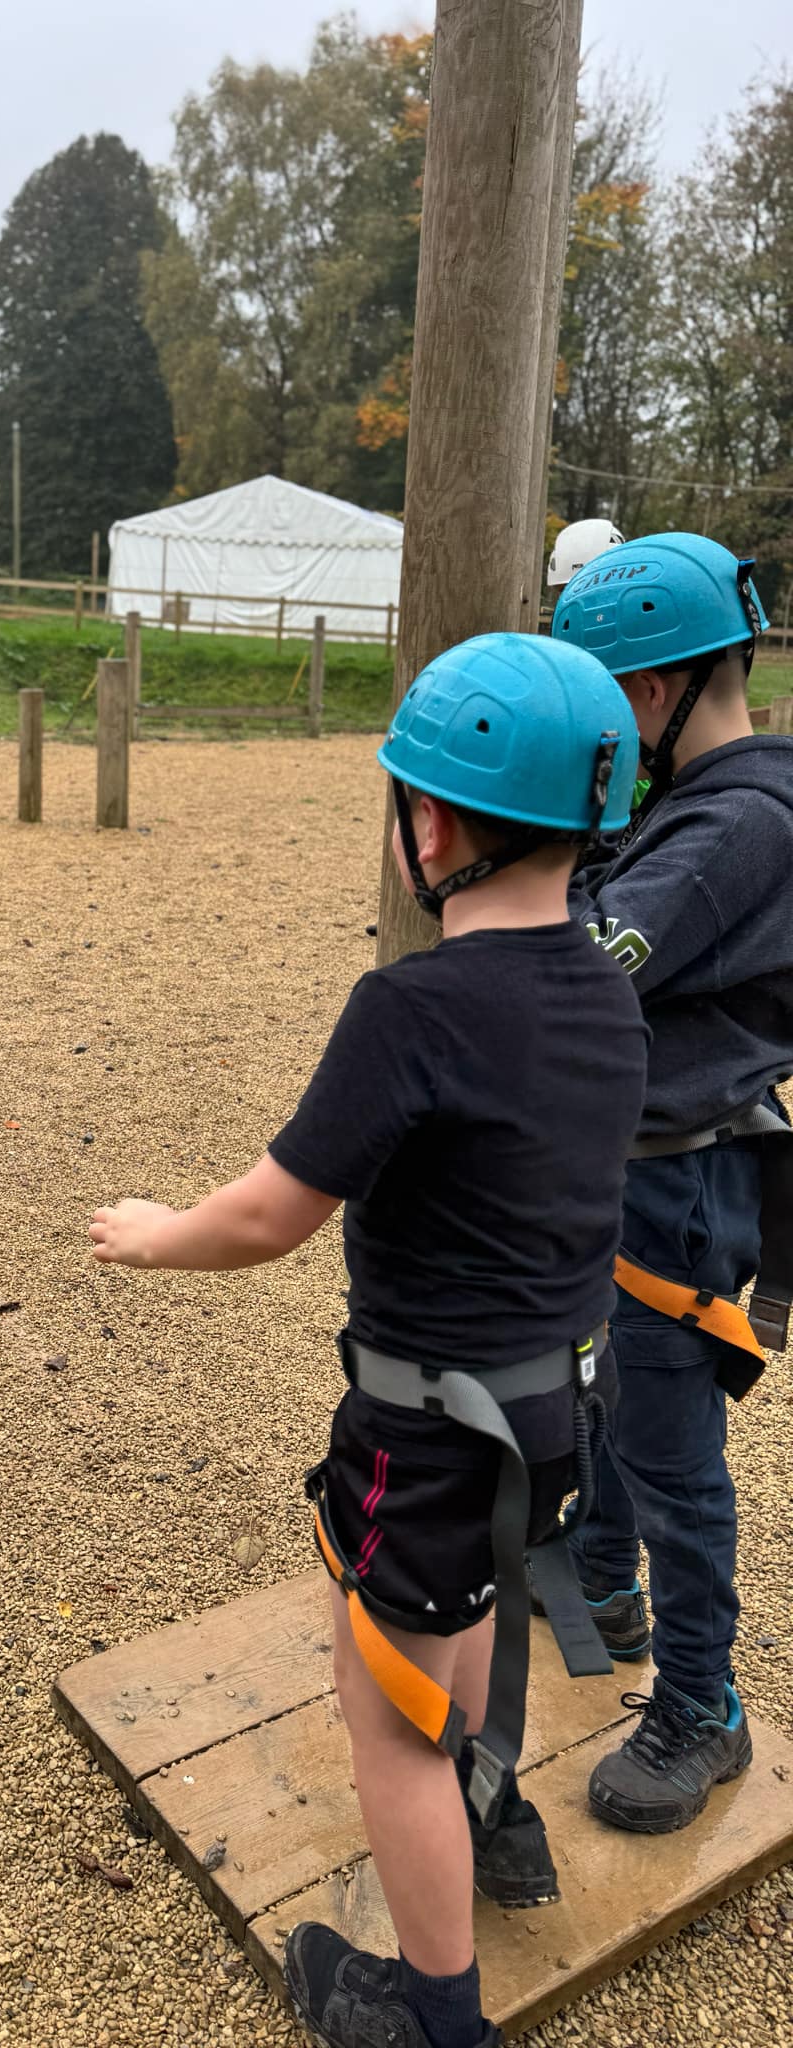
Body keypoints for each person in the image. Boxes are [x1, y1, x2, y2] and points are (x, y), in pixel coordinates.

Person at [91, 632, 646, 2048]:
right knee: (465, 1614)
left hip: (431, 1432)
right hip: (555, 1412)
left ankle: (433, 2012)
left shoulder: (412, 1009)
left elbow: (270, 1215)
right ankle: (490, 1819)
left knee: (386, 1716)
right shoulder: (608, 990)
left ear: (431, 827)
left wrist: (157, 1232)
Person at [540, 533, 793, 1834]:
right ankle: (603, 1578)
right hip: (640, 1162)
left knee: (674, 1449)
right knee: (610, 1390)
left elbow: (589, 963)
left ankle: (704, 1702)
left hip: (681, 1180)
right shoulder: (692, 802)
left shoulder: (735, 825)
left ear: (651, 690)